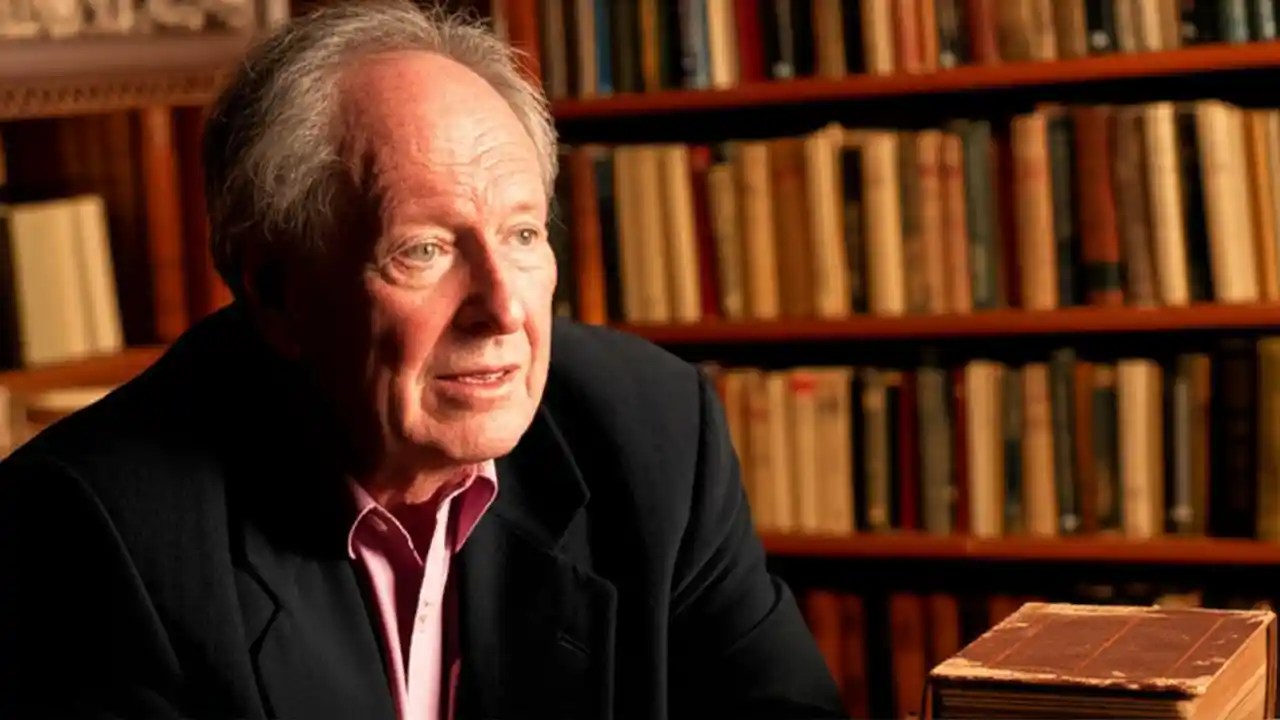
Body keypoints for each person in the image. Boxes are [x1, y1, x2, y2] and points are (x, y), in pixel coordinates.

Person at [0, 2, 846, 718]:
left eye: (523, 235)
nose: (504, 310)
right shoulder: (95, 531)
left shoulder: (652, 433)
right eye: (425, 250)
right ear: (276, 294)